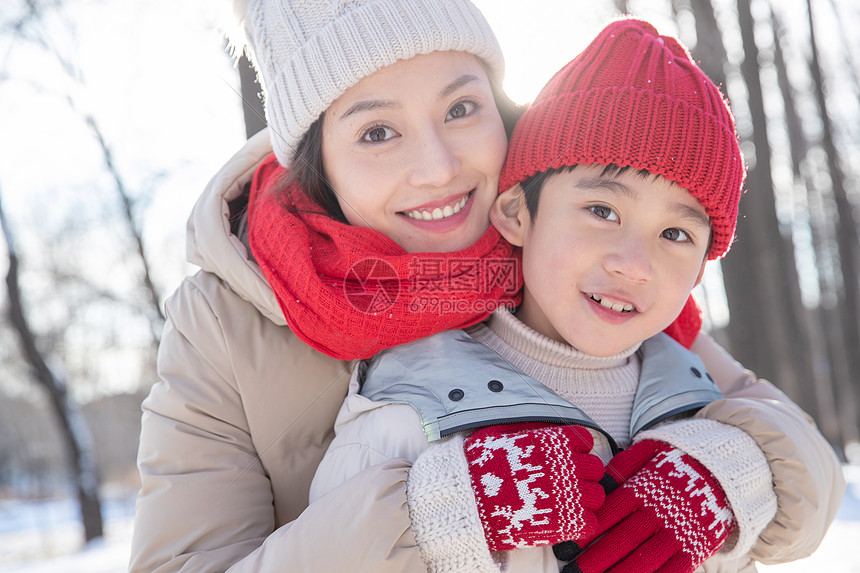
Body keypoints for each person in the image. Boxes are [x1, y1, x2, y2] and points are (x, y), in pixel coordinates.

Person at [128, 1, 844, 572]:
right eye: (377, 132)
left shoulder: (572, 252)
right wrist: (422, 521)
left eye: (461, 108)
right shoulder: (229, 318)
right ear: (318, 163)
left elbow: (792, 444)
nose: (438, 167)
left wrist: (734, 469)